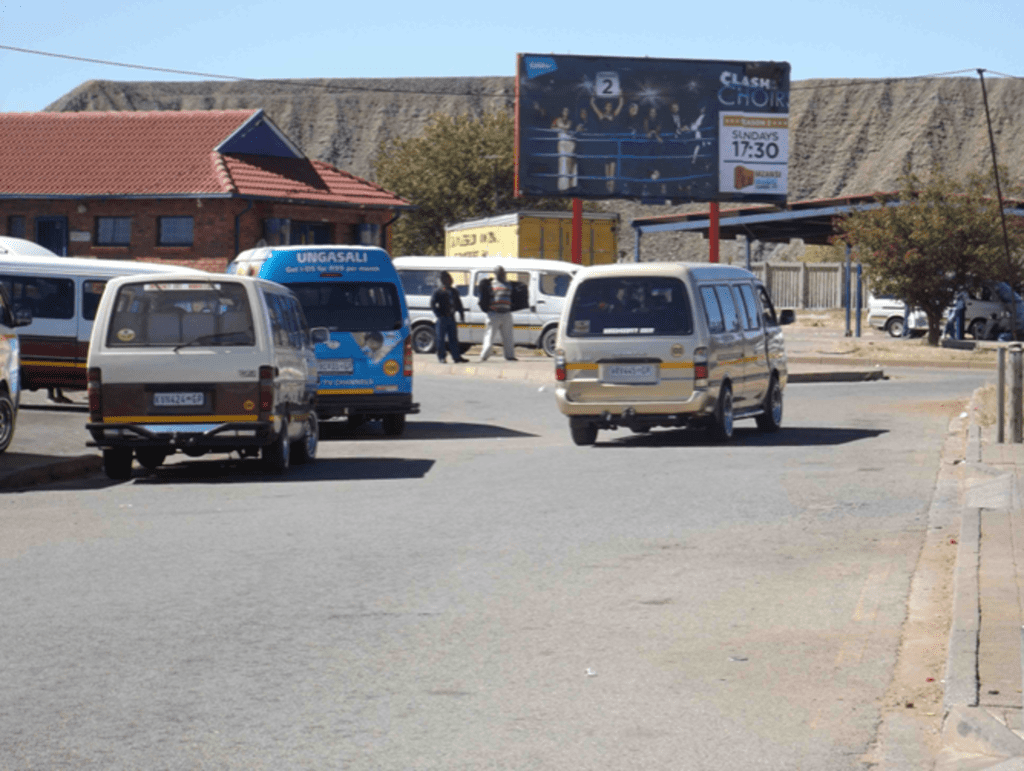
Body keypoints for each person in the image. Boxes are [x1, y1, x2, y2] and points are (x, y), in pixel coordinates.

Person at [479, 266, 516, 362]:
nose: (504, 273)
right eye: (501, 272)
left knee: (508, 336)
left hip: (506, 314)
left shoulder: (508, 284)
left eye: (503, 271)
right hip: (494, 314)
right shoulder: (491, 284)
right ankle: (484, 356)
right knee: (489, 335)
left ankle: (510, 356)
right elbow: (485, 298)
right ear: (496, 273)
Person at [430, 271, 467, 363]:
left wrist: (461, 314)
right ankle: (442, 357)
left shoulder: (454, 291)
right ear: (443, 280)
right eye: (447, 279)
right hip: (442, 318)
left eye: (449, 278)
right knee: (440, 339)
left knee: (453, 338)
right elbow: (432, 304)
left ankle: (456, 357)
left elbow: (458, 303)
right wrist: (438, 314)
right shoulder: (438, 291)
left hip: (451, 317)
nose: (449, 280)